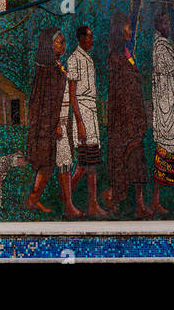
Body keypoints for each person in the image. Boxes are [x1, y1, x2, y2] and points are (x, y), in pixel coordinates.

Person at [103, 14, 150, 218]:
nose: (130, 31)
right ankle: (112, 195)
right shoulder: (116, 58)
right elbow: (119, 94)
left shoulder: (127, 54)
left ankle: (139, 204)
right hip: (124, 121)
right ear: (119, 30)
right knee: (123, 160)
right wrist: (131, 119)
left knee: (138, 159)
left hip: (135, 118)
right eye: (127, 28)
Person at [63, 24, 108, 218]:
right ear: (81, 38)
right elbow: (72, 95)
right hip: (82, 112)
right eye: (89, 37)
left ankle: (86, 203)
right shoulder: (74, 59)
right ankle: (73, 200)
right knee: (86, 163)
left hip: (91, 111)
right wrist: (80, 123)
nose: (92, 40)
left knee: (89, 162)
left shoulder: (88, 58)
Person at [25, 27, 69, 213]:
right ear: (49, 46)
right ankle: (33, 199)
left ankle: (36, 199)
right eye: (59, 42)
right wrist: (56, 123)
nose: (63, 46)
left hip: (56, 122)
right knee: (47, 163)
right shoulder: (48, 71)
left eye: (63, 42)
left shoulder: (57, 66)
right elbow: (49, 101)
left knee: (53, 163)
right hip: (48, 124)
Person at [148, 9, 174, 215]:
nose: (168, 26)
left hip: (171, 101)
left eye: (169, 22)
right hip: (165, 103)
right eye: (164, 22)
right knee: (163, 149)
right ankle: (155, 199)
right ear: (158, 25)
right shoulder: (160, 47)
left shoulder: (168, 45)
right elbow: (170, 70)